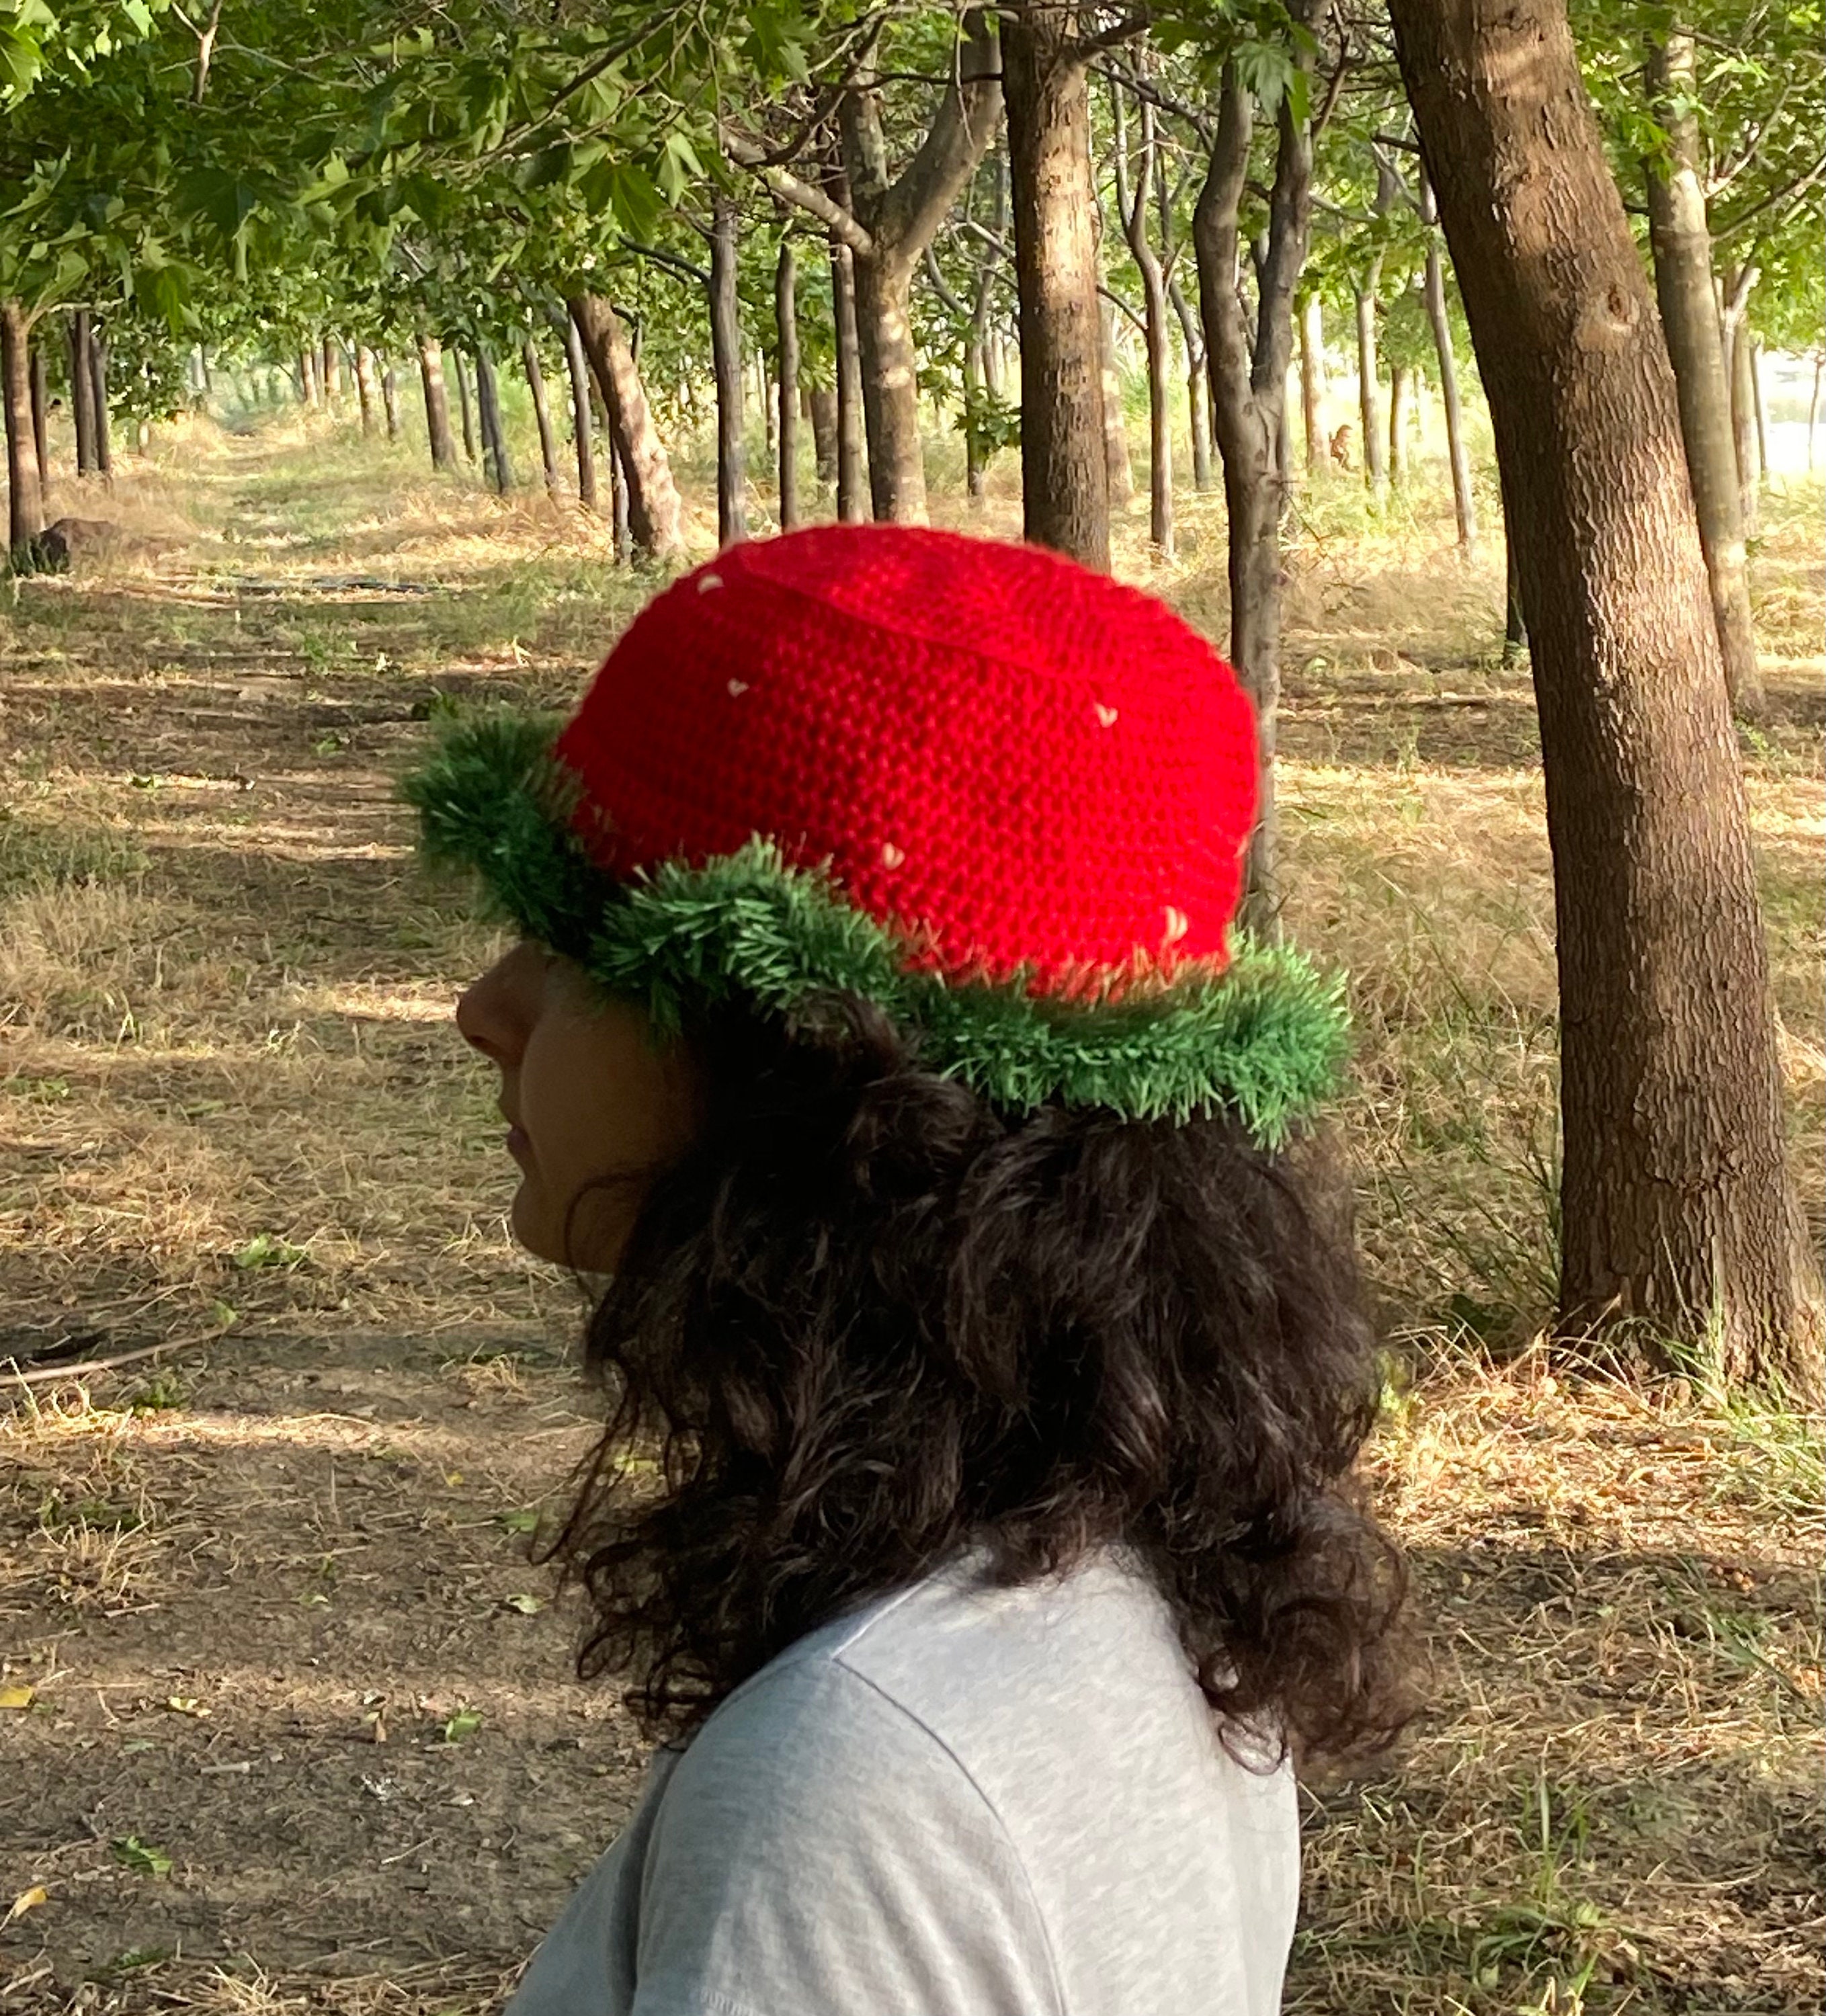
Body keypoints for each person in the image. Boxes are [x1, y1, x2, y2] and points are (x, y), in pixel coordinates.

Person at [405, 523, 1411, 2016]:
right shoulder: (1126, 1609)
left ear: (812, 1072)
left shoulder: (855, 1787)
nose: (488, 1007)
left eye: (584, 934)